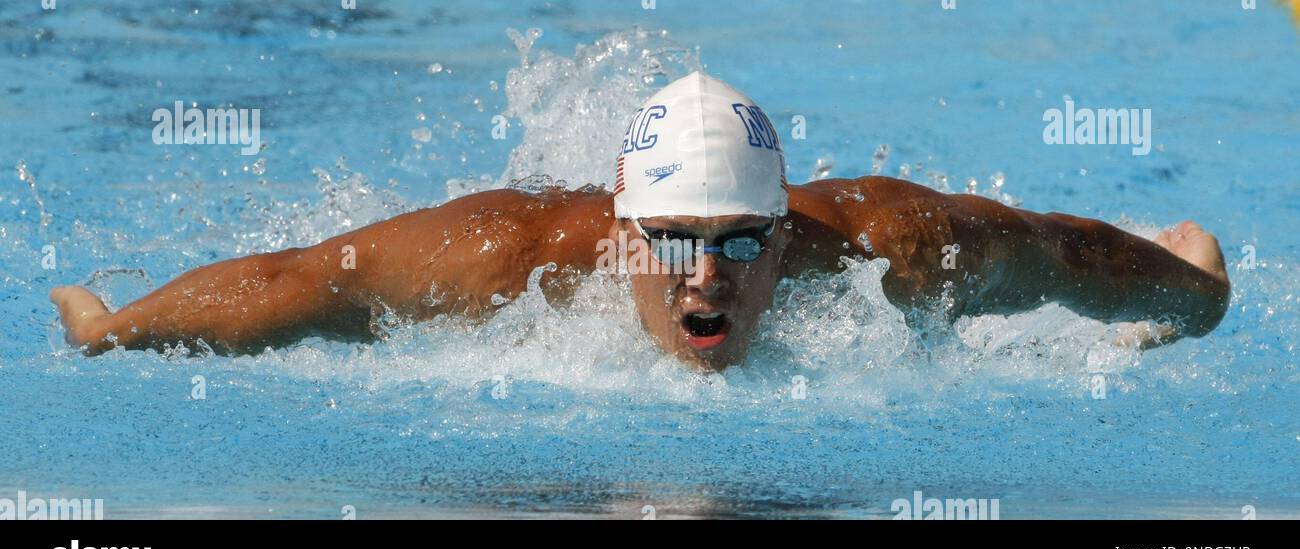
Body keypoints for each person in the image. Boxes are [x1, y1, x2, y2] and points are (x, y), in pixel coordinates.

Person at [50, 72, 1230, 370]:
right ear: (622, 230)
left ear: (785, 232)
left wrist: (1193, 289)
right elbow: (299, 280)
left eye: (738, 239)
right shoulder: (510, 259)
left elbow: (1062, 250)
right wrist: (112, 328)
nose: (704, 276)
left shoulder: (886, 249)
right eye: (672, 237)